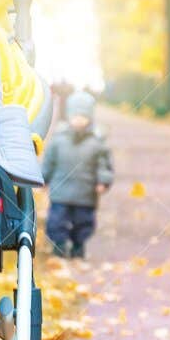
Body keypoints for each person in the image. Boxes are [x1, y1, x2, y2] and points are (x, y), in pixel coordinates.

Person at [40, 90, 113, 259]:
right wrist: (44, 178)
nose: (79, 120)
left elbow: (104, 165)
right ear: (69, 116)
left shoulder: (97, 141)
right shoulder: (58, 139)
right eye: (75, 116)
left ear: (90, 117)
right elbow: (49, 161)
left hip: (85, 193)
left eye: (83, 116)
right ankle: (59, 246)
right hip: (60, 191)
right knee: (56, 221)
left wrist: (103, 181)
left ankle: (78, 246)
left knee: (84, 222)